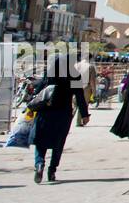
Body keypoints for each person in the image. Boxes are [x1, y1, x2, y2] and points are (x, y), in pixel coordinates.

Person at [32, 53, 89, 184]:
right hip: (63, 114)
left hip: (45, 112)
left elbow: (38, 91)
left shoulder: (50, 74)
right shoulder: (74, 75)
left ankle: (39, 164)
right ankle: (52, 170)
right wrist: (84, 115)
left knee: (41, 140)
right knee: (58, 142)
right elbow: (80, 96)